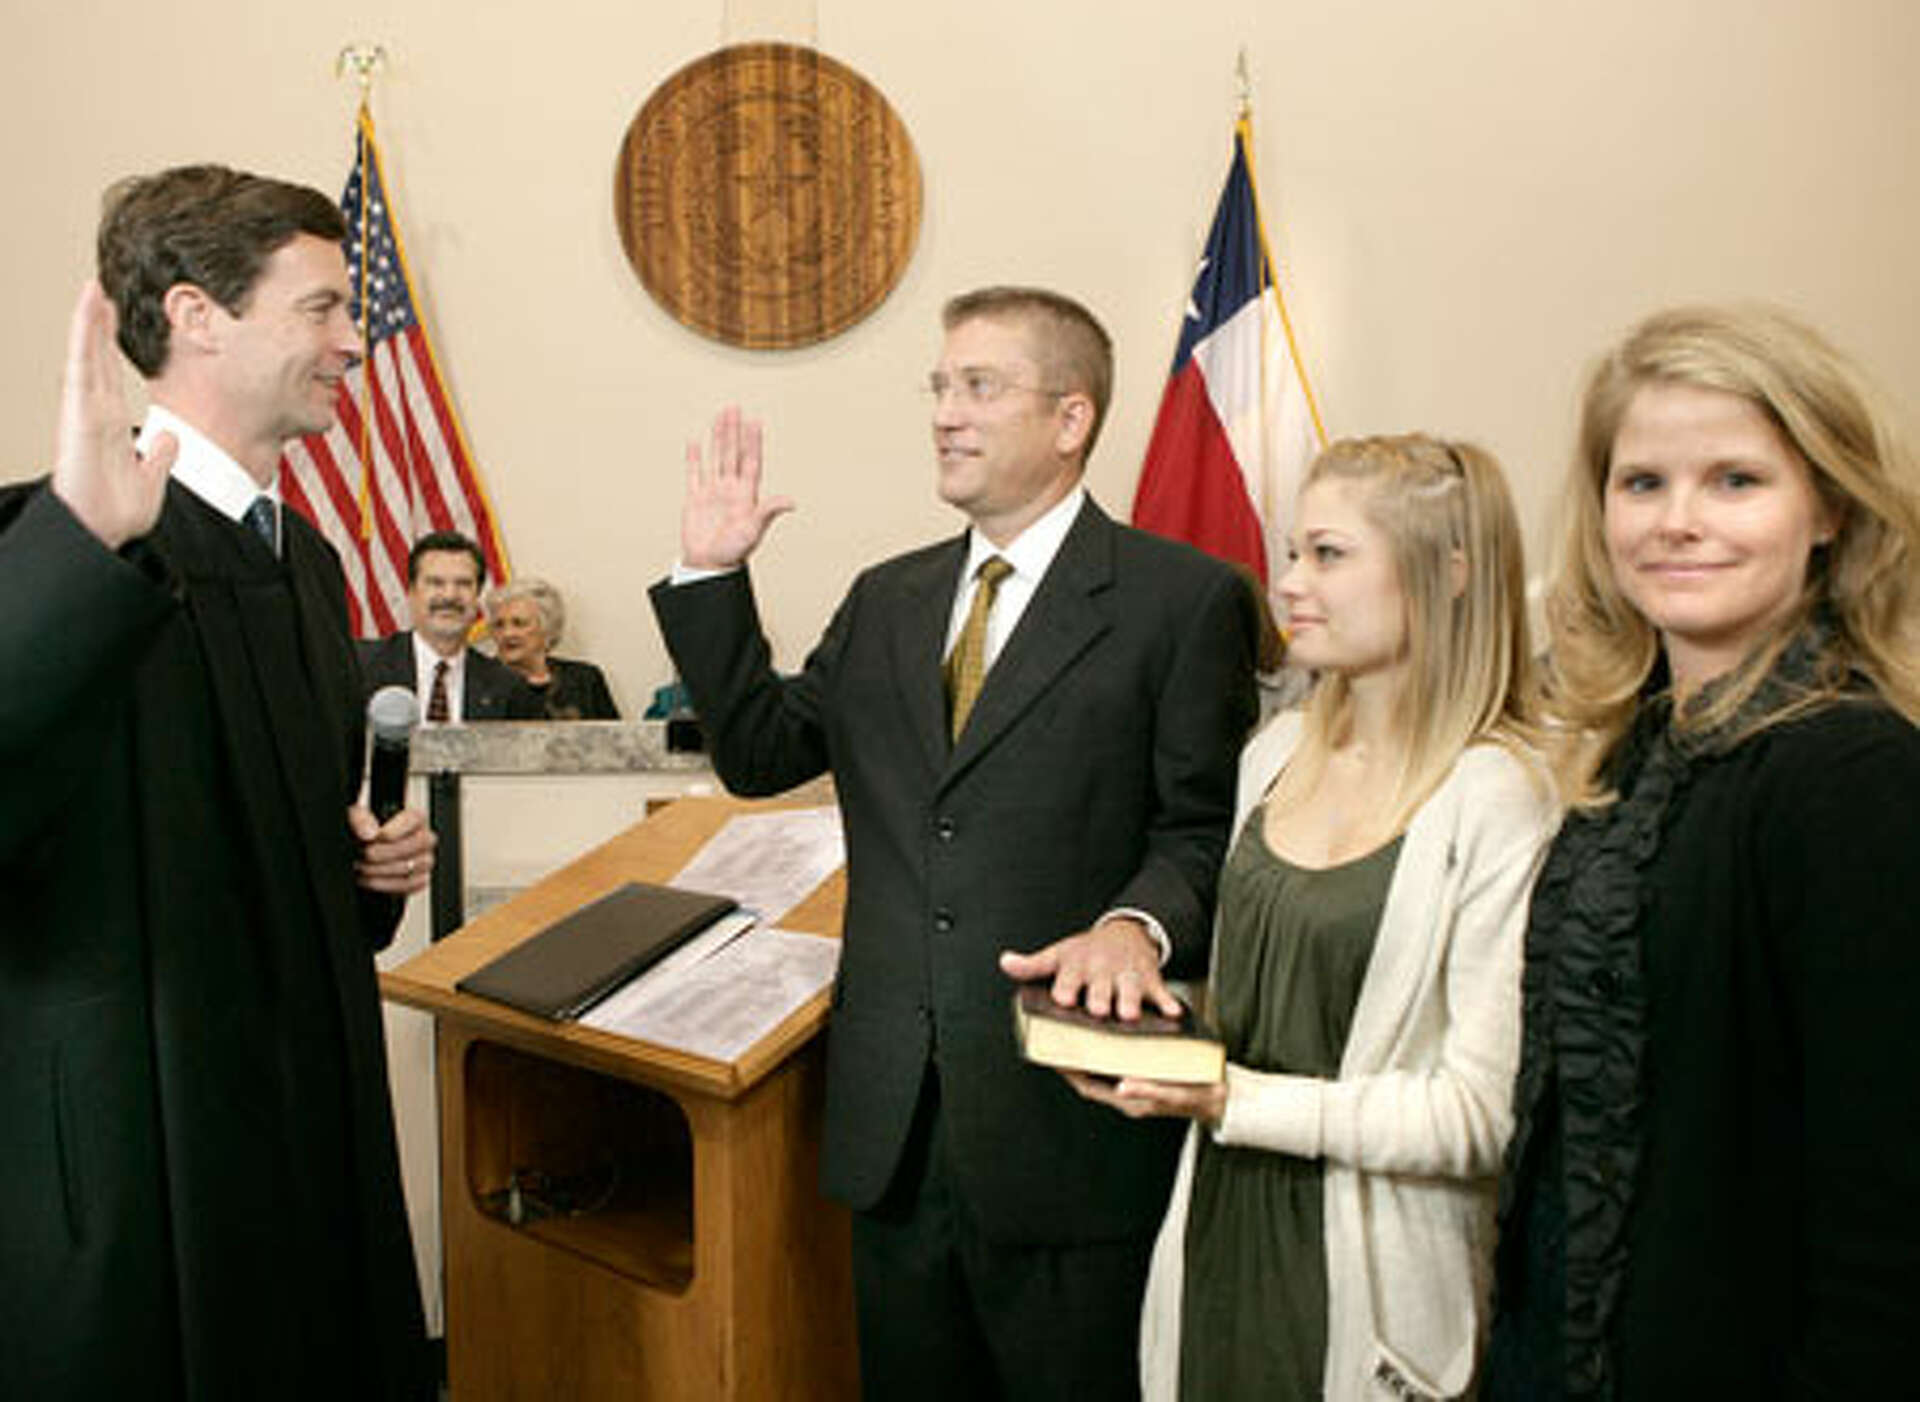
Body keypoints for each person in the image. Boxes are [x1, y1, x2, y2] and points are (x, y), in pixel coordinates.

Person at [650, 286, 1261, 1398]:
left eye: (979, 386)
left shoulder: (1182, 601)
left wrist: (1135, 925)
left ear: (1071, 418)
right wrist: (713, 575)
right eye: (940, 386)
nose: (945, 412)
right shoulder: (887, 598)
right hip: (895, 1129)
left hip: (1067, 1123)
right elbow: (761, 753)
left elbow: (1202, 828)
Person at [0, 165, 435, 1397]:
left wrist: (371, 868)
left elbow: (289, 863)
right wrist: (81, 548)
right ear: (198, 315)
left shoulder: (308, 566)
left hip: (307, 1132)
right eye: (321, 308)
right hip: (146, 1153)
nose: (353, 343)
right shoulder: (47, 541)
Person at [1483, 305, 1920, 1398]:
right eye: (1643, 482)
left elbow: (1887, 1204)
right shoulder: (1633, 749)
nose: (1678, 522)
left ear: (1827, 507)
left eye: (1735, 481)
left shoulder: (1856, 774)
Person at [1070, 435, 1559, 1399]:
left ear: (1449, 572)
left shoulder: (1497, 796)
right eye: (1294, 552)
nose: (1288, 583)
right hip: (1213, 1238)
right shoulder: (1276, 750)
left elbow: (1477, 1115)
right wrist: (1132, 1008)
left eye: (1328, 555)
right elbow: (1266, 994)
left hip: (1368, 1286)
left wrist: (1230, 1101)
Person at [359, 529, 544, 720]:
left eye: (463, 584)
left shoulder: (509, 687)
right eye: (436, 583)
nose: (450, 595)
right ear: (412, 592)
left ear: (477, 596)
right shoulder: (361, 667)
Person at [484, 575, 620, 719]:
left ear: (547, 628)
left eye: (519, 624)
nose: (507, 634)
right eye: (498, 625)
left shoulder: (585, 680)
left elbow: (615, 733)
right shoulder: (480, 684)